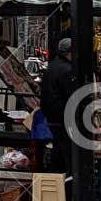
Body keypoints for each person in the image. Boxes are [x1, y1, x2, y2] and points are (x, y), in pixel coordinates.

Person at [39, 36, 74, 175]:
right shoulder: (67, 69)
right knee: (65, 155)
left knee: (58, 151)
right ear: (69, 52)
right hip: (61, 117)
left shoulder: (52, 65)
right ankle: (66, 186)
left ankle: (56, 178)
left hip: (52, 116)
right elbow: (69, 95)